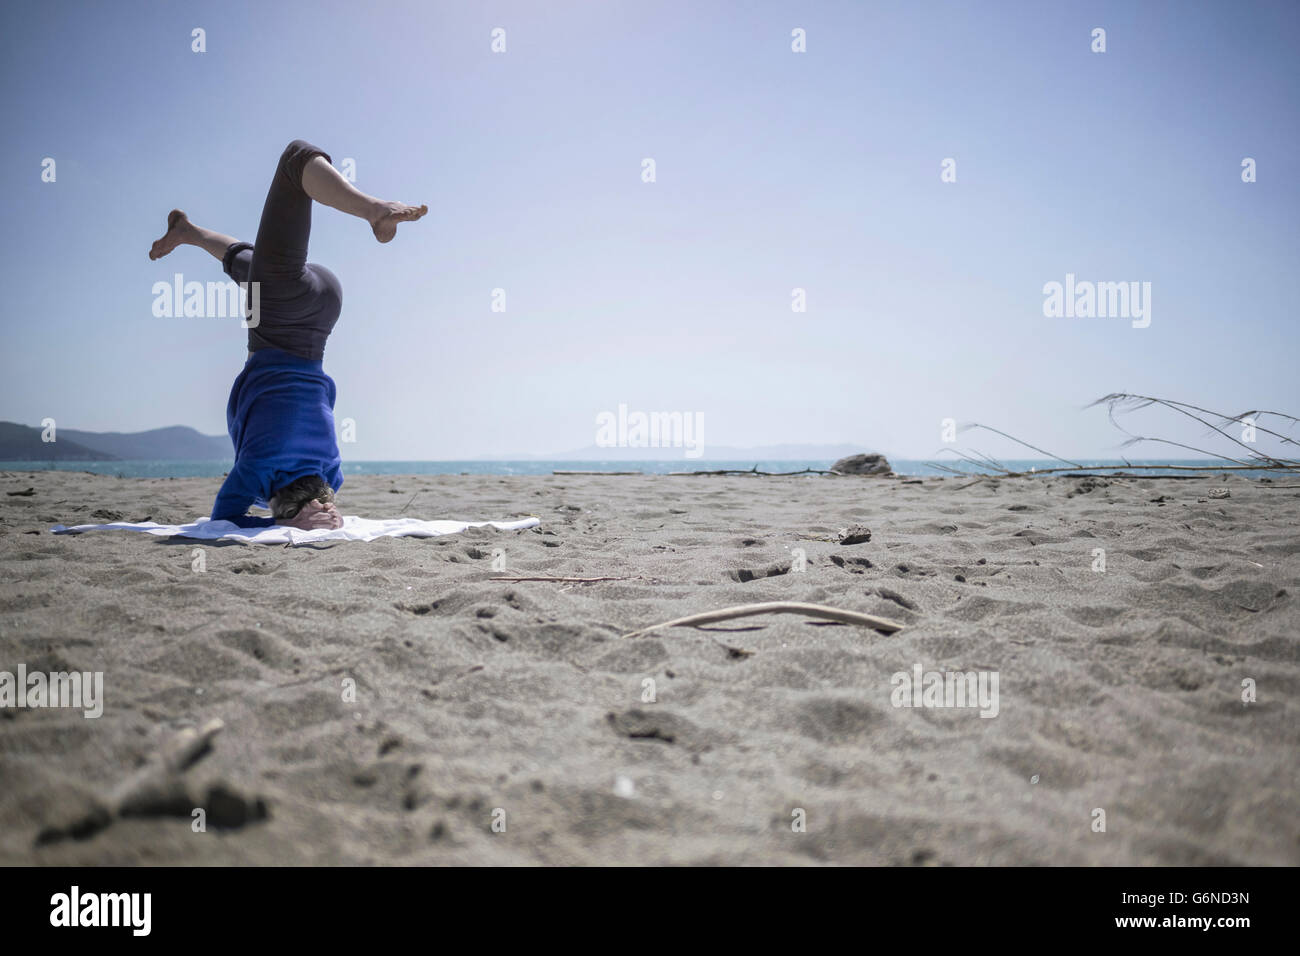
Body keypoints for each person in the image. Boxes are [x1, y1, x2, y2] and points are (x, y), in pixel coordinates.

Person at [148, 140, 426, 529]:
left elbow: (327, 395)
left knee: (254, 272)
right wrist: (284, 523)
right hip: (279, 319)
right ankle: (374, 211)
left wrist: (301, 516)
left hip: (322, 314)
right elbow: (224, 518)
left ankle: (187, 232)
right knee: (296, 161)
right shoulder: (258, 470)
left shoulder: (332, 473)